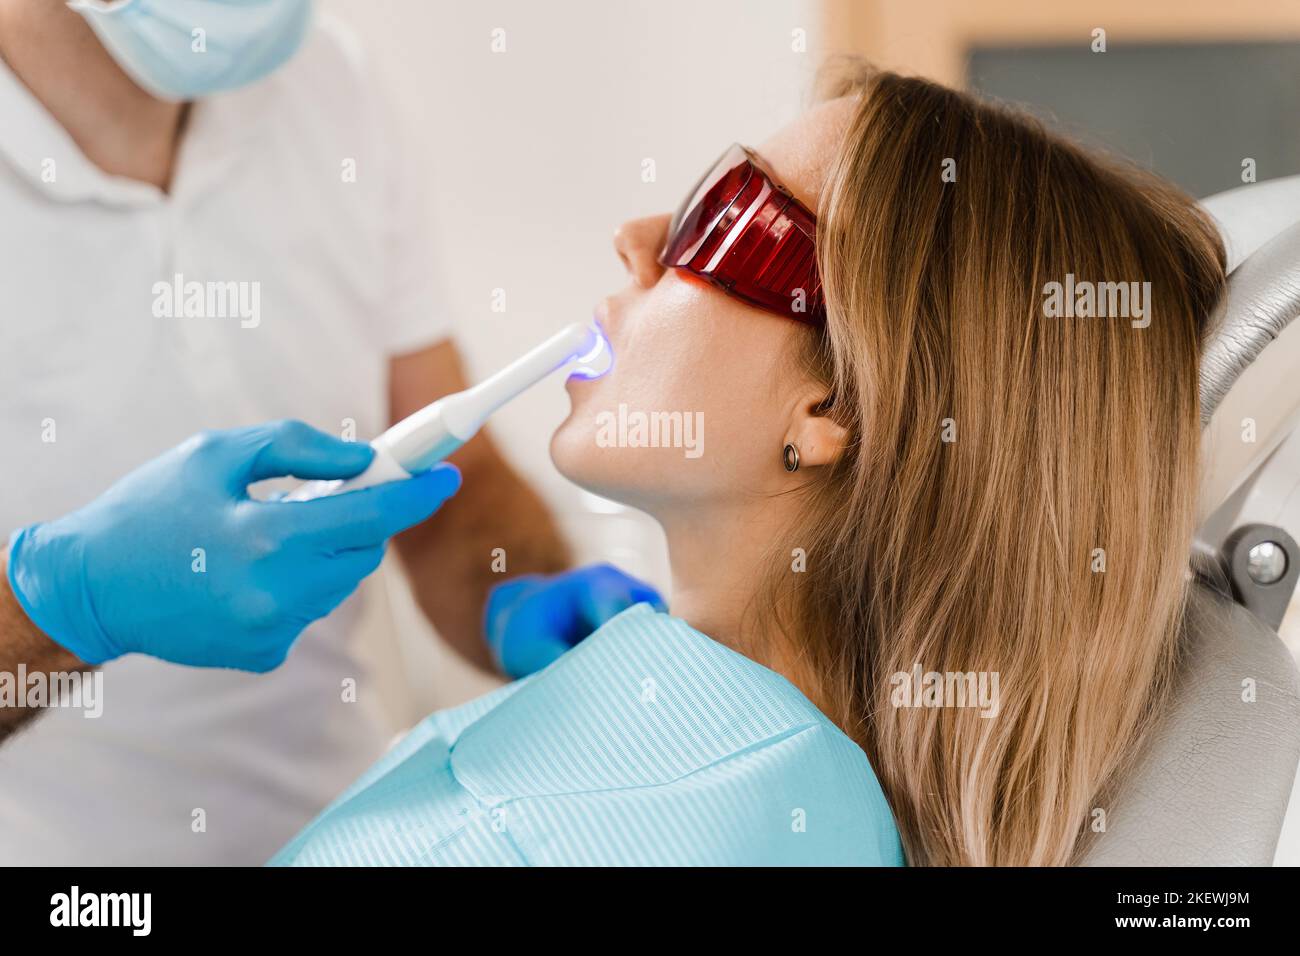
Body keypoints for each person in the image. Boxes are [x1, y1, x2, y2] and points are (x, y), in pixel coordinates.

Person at [273, 64, 1227, 866]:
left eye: (724, 216)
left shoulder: (704, 827)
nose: (640, 238)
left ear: (837, 405)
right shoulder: (732, 779)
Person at [0, 0, 654, 864]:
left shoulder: (333, 86)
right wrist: (69, 602)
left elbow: (451, 473)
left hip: (339, 832)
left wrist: (511, 595)